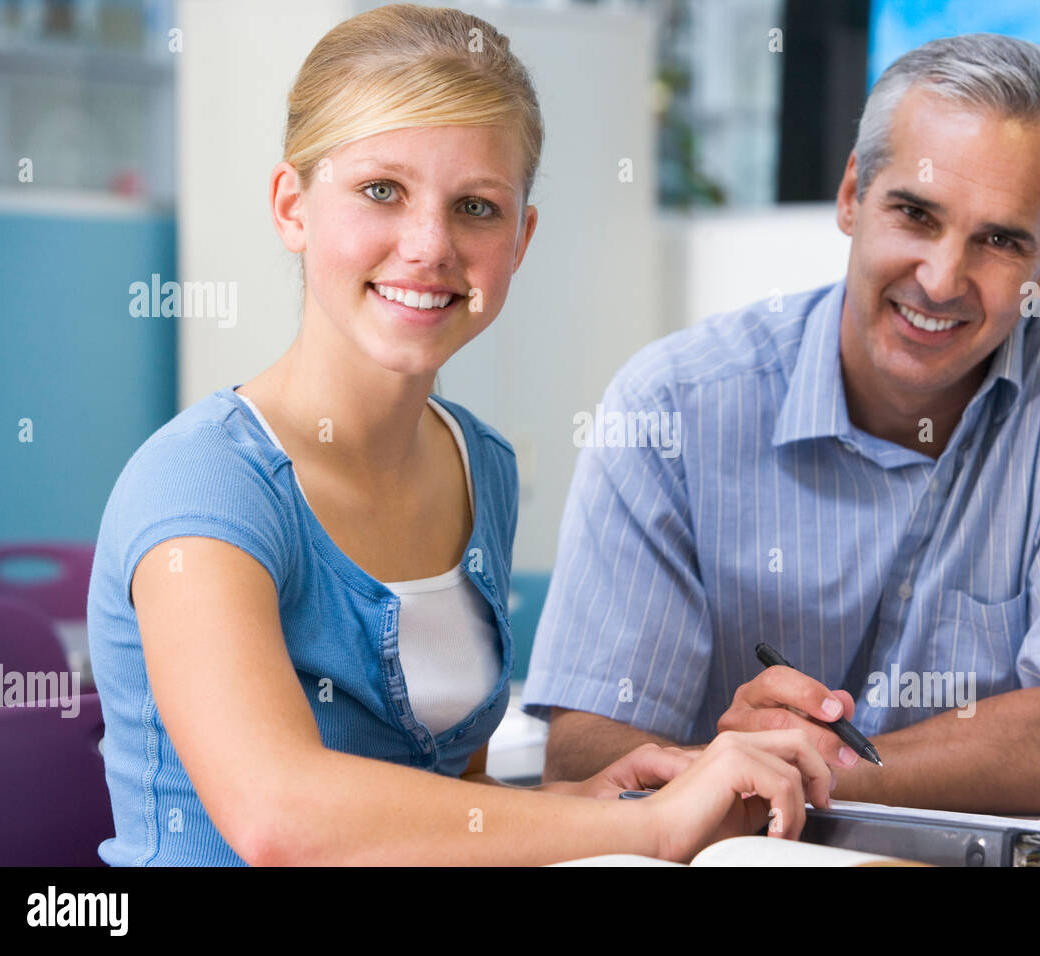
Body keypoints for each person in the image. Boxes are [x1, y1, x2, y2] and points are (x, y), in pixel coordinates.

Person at [86, 3, 833, 867]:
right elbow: (280, 817)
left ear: (520, 239)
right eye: (381, 191)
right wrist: (641, 827)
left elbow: (436, 809)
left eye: (477, 207)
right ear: (292, 206)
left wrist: (580, 802)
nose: (430, 245)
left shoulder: (479, 466)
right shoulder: (203, 483)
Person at [523, 33, 1040, 816]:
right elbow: (586, 761)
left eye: (1000, 240)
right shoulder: (671, 407)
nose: (941, 279)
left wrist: (807, 765)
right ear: (853, 195)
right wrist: (737, 771)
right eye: (916, 214)